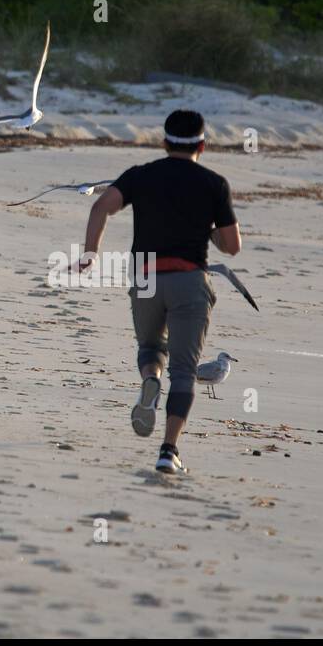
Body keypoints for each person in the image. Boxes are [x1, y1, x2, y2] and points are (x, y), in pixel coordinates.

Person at [79, 110, 241, 473]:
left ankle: (150, 381)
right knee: (184, 372)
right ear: (202, 144)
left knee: (151, 349)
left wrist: (90, 254)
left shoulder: (141, 175)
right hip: (188, 278)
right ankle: (169, 451)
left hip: (147, 275)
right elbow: (232, 247)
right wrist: (209, 230)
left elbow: (101, 206)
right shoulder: (214, 184)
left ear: (165, 142)